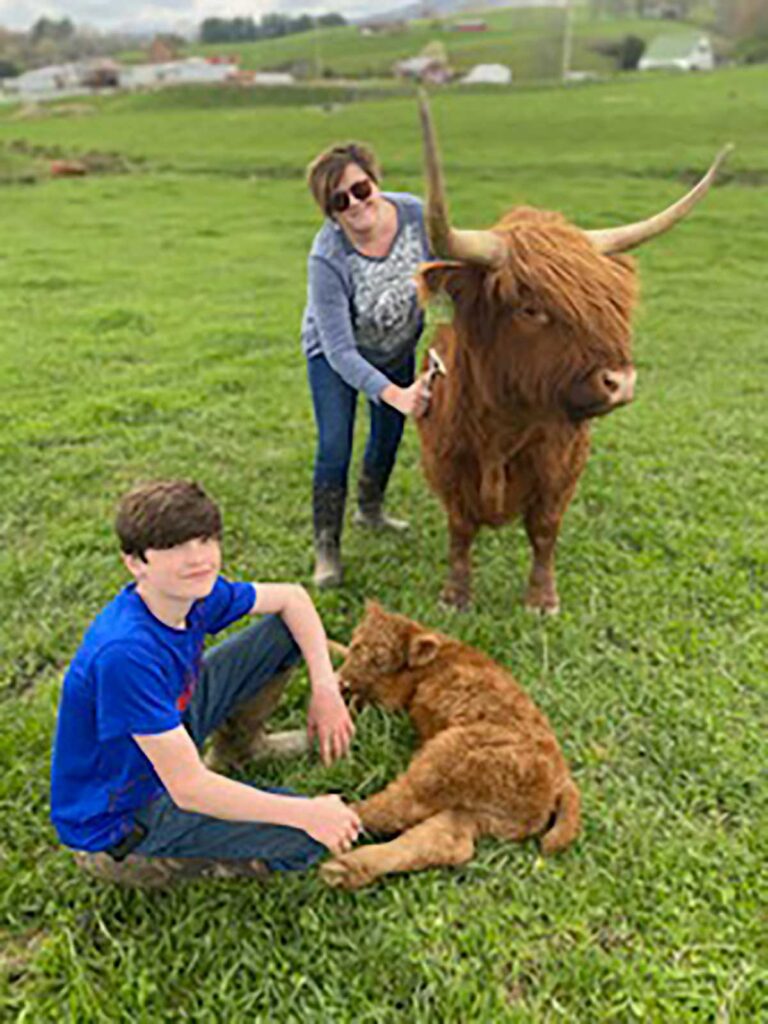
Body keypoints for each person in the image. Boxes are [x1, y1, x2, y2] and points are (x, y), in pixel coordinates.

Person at [50, 479, 360, 888]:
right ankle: (146, 863)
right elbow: (190, 788)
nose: (197, 559)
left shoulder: (195, 594)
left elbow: (293, 599)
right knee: (311, 838)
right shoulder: (125, 654)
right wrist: (309, 813)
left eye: (204, 539)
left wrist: (325, 689)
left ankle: (242, 751)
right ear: (135, 563)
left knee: (283, 632)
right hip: (122, 816)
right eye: (174, 547)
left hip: (166, 741)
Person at [302, 141, 432, 588]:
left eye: (361, 188)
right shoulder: (327, 258)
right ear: (331, 213)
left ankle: (370, 509)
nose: (356, 203)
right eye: (340, 200)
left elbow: (447, 272)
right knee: (335, 443)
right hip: (336, 355)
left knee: (389, 433)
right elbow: (339, 351)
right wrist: (394, 393)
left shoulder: (416, 216)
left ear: (375, 181)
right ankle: (327, 548)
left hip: (397, 342)